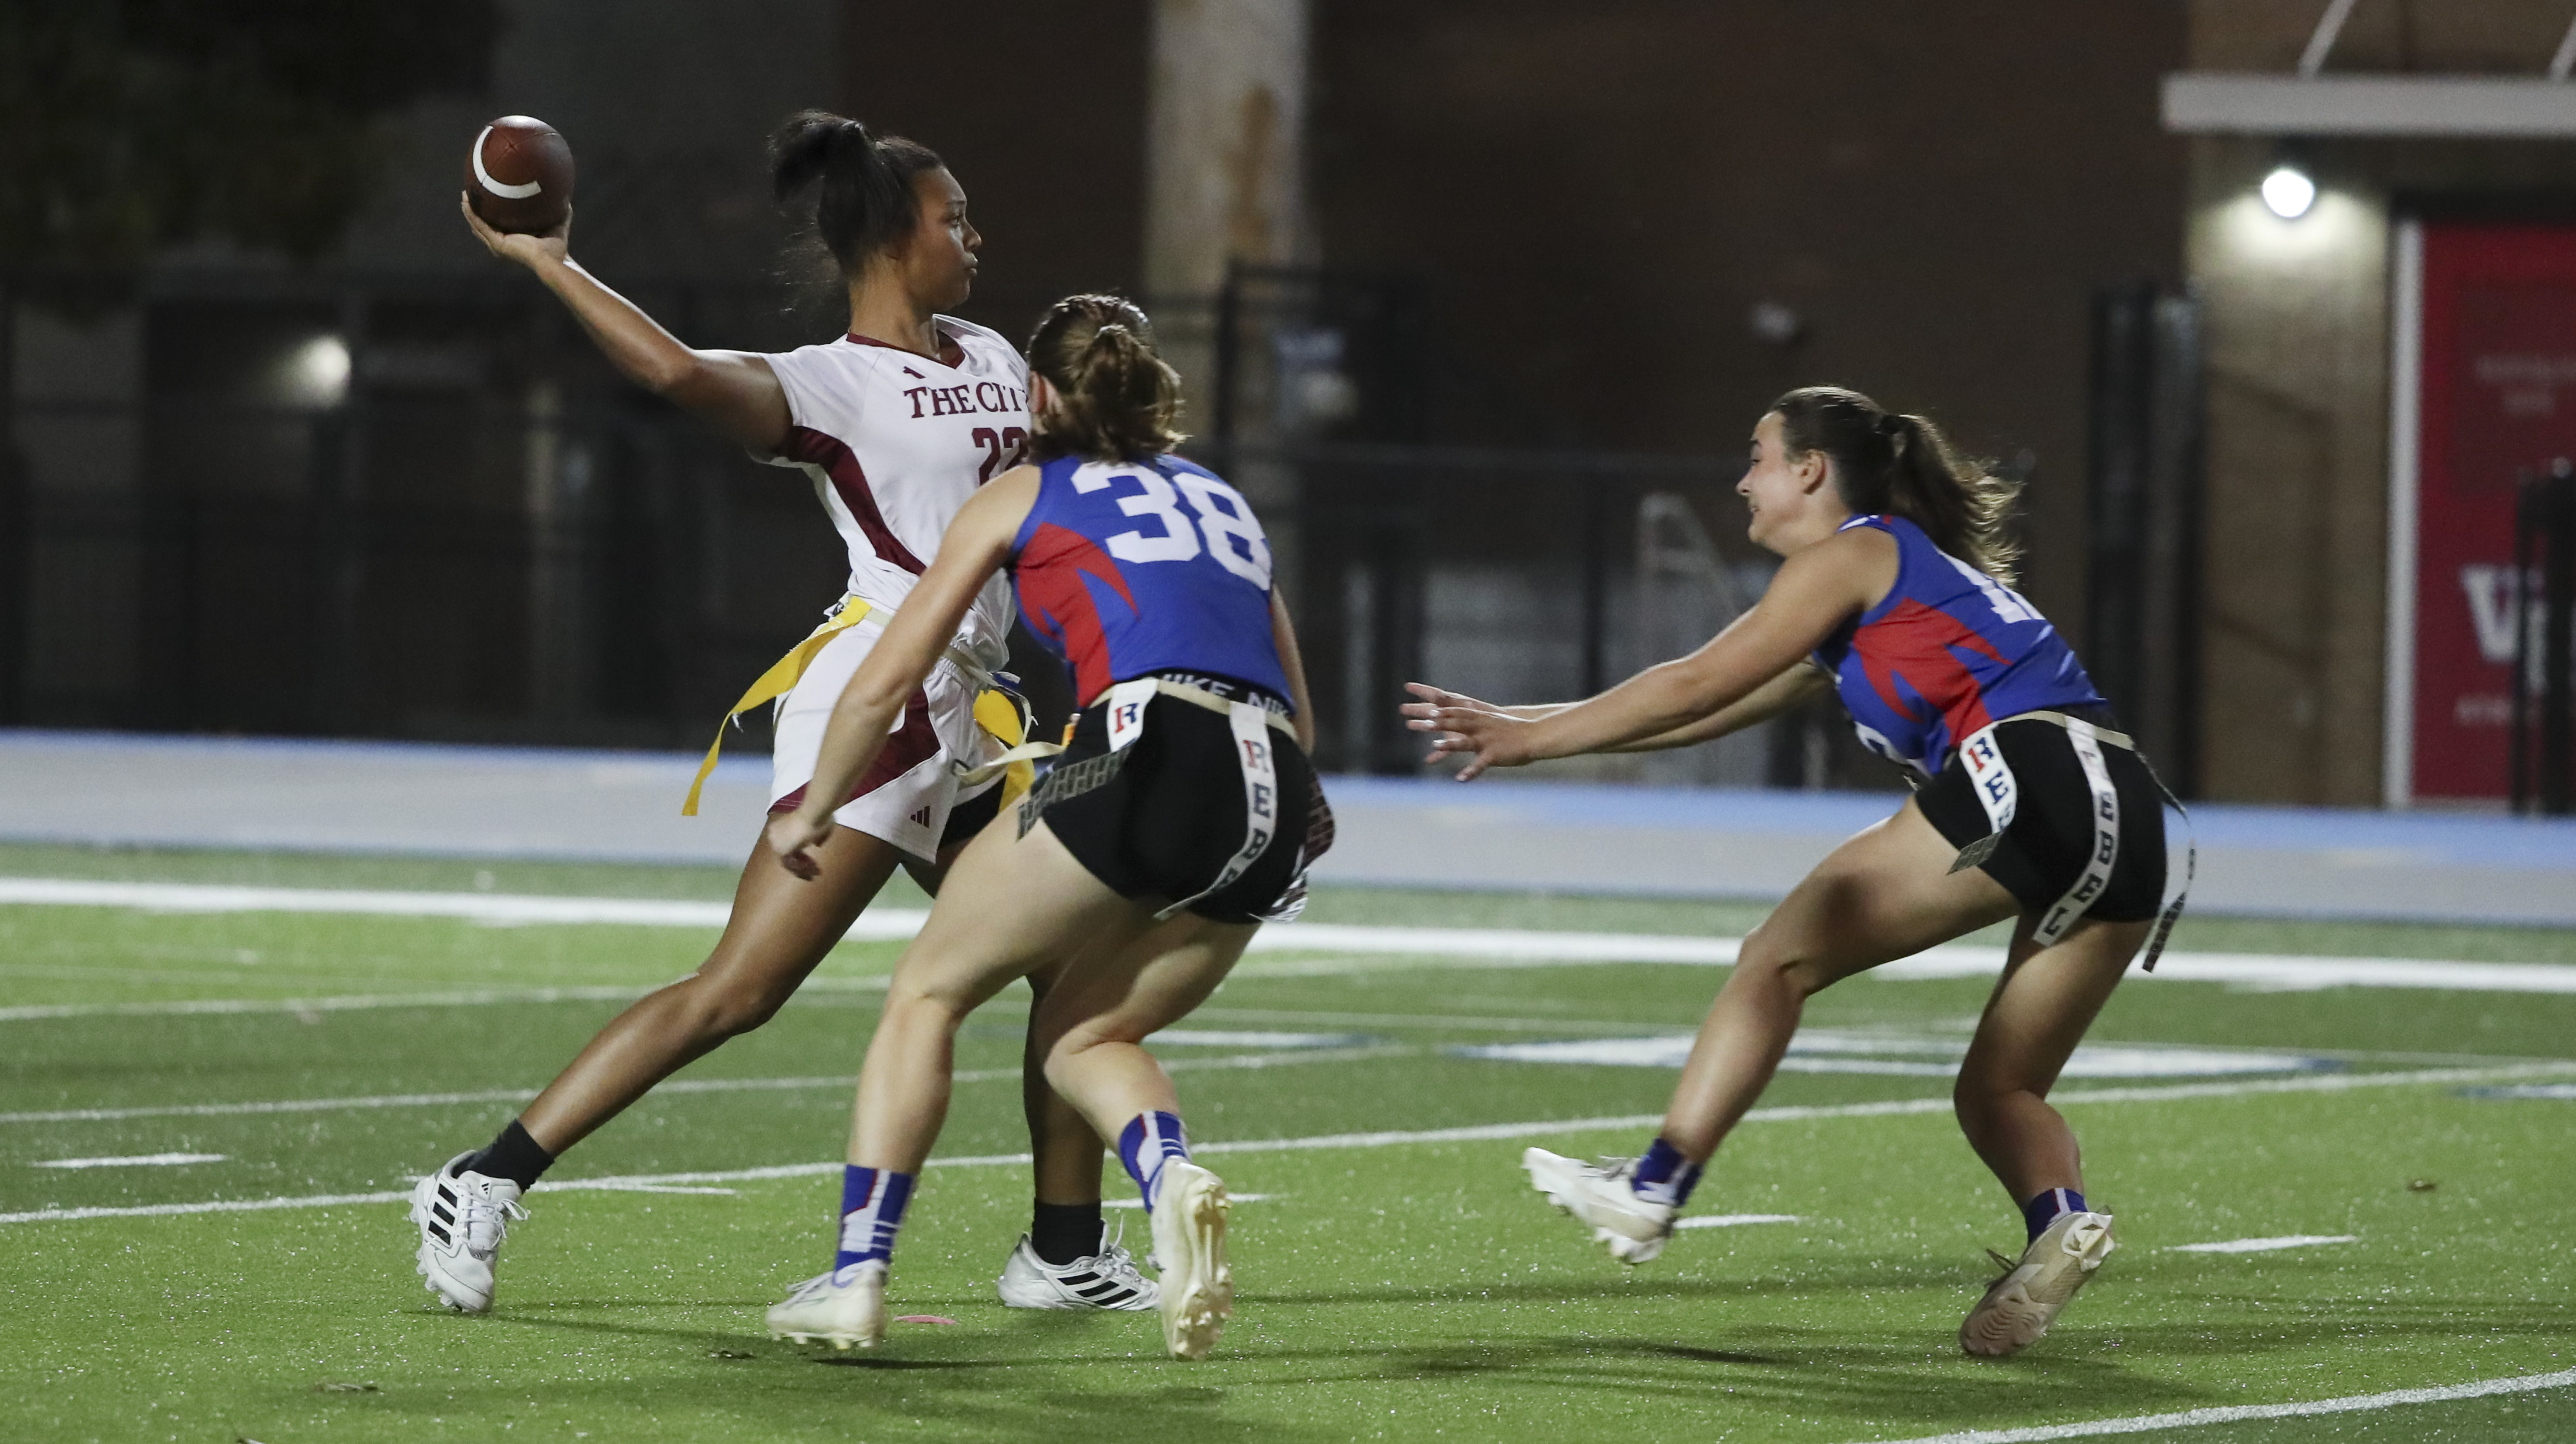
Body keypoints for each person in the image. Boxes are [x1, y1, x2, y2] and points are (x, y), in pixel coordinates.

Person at [408, 113, 1154, 1320]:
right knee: (740, 989)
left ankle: (1062, 1249)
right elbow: (671, 371)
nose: (975, 233)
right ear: (885, 242)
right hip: (881, 700)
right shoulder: (831, 385)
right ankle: (483, 1178)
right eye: (949, 217)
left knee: (1075, 965)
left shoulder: (983, 351)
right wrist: (549, 262)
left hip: (979, 717)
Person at [1405, 386, 2182, 1358]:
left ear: (1811, 469)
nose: (1744, 479)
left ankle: (1654, 1183)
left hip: (2022, 774)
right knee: (1999, 1090)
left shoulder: (1853, 550)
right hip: (2131, 812)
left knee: (1776, 960)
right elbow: (1700, 712)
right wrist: (1528, 727)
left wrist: (1527, 742)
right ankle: (2058, 1222)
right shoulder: (1890, 582)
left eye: (1759, 455)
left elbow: (1691, 677)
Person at [757, 294, 1321, 1360]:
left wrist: (817, 805)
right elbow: (1290, 689)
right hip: (1273, 784)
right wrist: (1308, 804)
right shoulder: (1221, 496)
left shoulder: (1025, 489)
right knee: (1088, 1028)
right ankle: (1167, 1173)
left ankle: (855, 1278)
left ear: (1042, 396)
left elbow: (889, 679)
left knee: (927, 990)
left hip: (1141, 745)